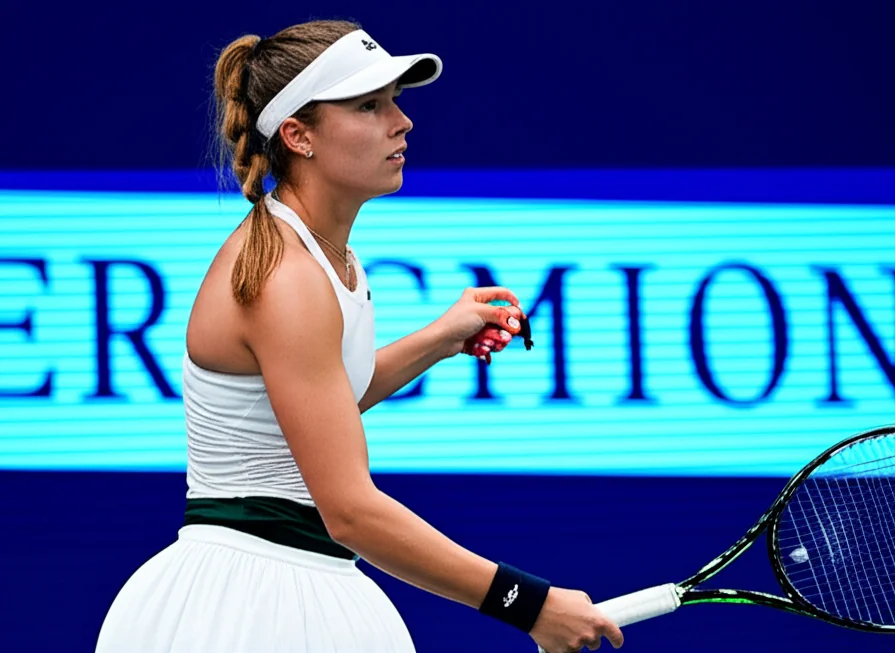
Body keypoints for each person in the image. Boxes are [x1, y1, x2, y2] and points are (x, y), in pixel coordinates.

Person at [95, 18, 624, 653]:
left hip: (289, 580)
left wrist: (440, 337)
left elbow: (318, 400)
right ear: (299, 136)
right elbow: (349, 510)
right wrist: (529, 605)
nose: (402, 122)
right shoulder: (286, 279)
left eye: (395, 102)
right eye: (370, 106)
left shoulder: (326, 253)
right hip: (242, 607)